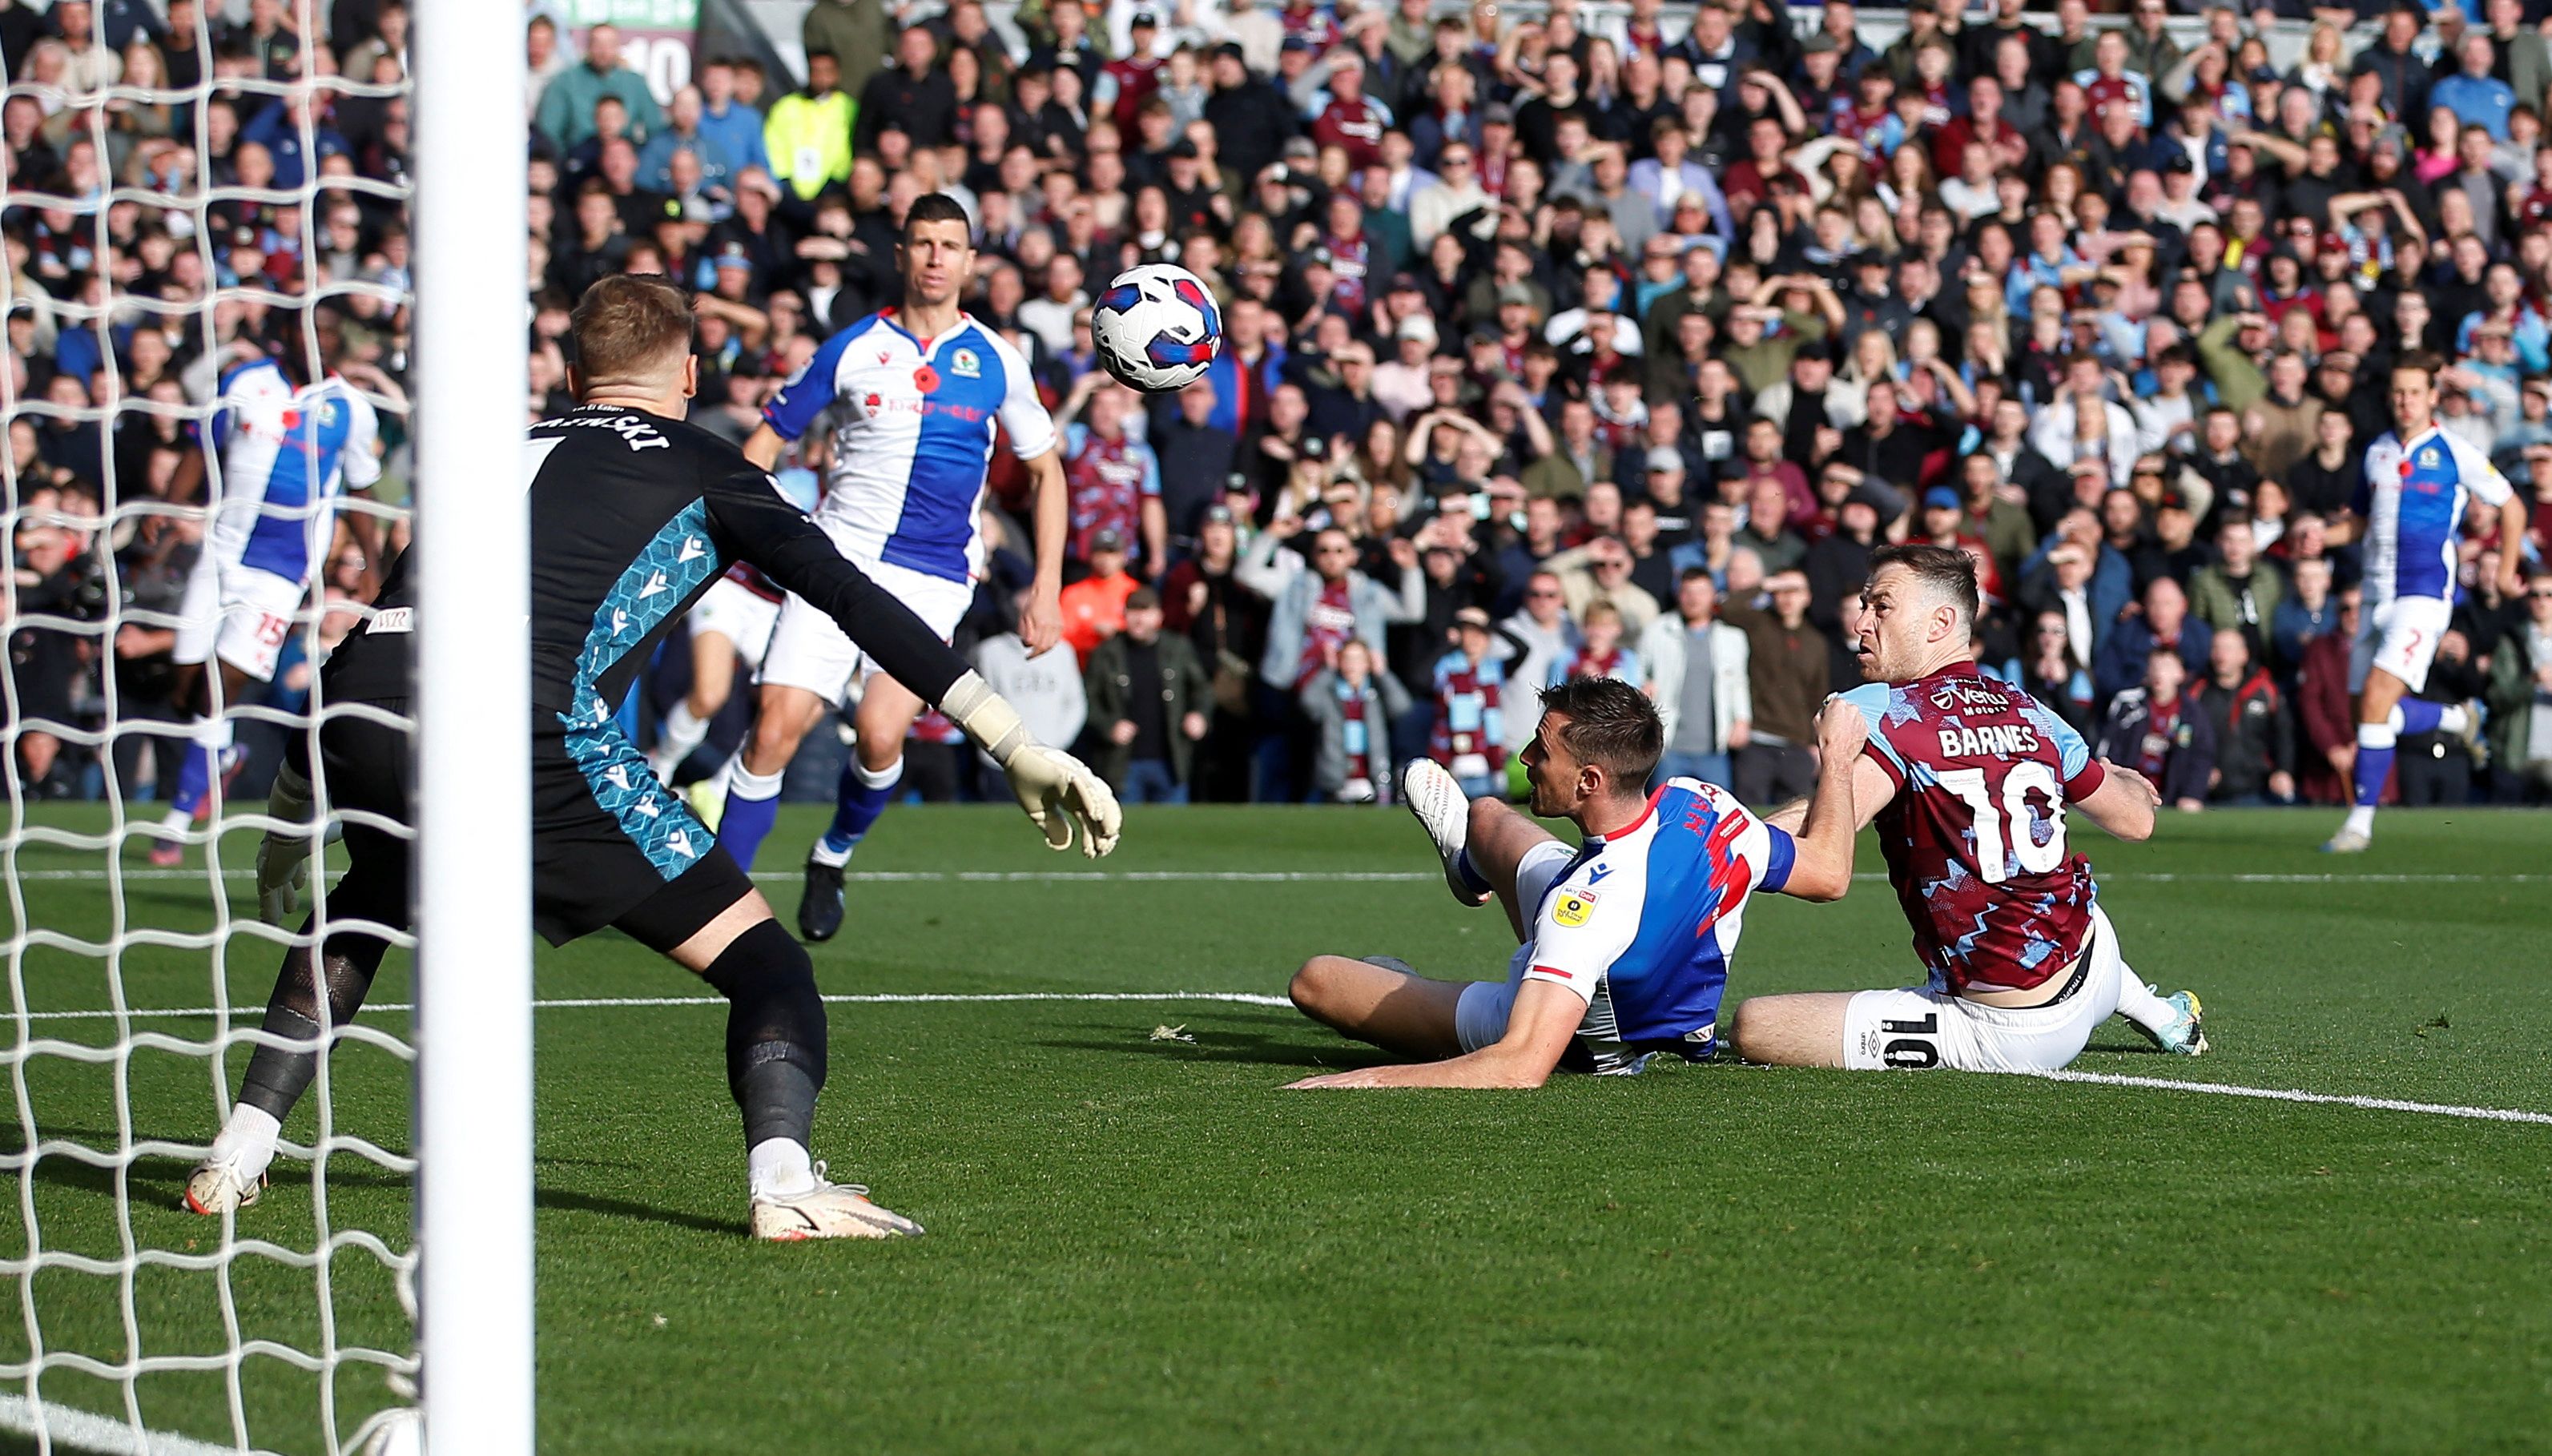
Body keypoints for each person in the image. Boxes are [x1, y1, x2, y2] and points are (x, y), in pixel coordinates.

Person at [197, 276, 1118, 1240]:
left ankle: (240, 1149)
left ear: (569, 374)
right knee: (770, 969)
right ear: (686, 373)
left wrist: (293, 807)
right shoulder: (703, 462)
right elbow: (849, 595)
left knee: (378, 888)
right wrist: (1011, 737)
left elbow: (374, 634)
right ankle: (785, 1181)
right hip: (521, 723)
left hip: (361, 713)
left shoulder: (491, 454)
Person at [711, 195, 1069, 943]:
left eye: (951, 244)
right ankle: (715, 900)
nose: (937, 257)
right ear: (901, 254)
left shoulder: (999, 360)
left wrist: (1045, 589)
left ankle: (833, 855)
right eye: (924, 243)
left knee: (879, 737)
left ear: (971, 261)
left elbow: (1047, 473)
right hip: (832, 562)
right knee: (773, 730)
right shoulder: (851, 347)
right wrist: (741, 532)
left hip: (931, 578)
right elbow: (768, 439)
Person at [1732, 545, 2206, 1073]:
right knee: (2049, 894)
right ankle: (2163, 1015)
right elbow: (2137, 821)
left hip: (2008, 1032)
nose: (1860, 622)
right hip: (2093, 960)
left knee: (1755, 1026)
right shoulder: (2032, 709)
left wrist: (1727, 846)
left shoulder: (1881, 708)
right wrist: (2123, 779)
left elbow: (1820, 841)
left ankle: (2150, 1009)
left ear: (1940, 622)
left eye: (1881, 606)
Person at [1280, 676, 1866, 1088]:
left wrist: (1364, 1081)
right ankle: (1469, 869)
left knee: (1317, 981)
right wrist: (1837, 760)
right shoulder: (1704, 804)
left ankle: (1413, 987)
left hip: (1587, 1044)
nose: (1525, 756)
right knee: (1484, 817)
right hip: (1619, 929)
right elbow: (1830, 873)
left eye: (1542, 750)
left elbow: (1518, 1066)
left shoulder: (1583, 909)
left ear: (1588, 781)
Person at [151, 307, 384, 867]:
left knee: (218, 686)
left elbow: (361, 492)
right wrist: (168, 512)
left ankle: (177, 822)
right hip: (218, 548)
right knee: (184, 686)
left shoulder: (350, 409)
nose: (316, 342)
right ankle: (222, 753)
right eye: (306, 331)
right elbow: (199, 449)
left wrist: (375, 567)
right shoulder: (244, 383)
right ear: (284, 335)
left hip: (282, 570)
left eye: (327, 334)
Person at [2323, 352, 2529, 851]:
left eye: (2415, 391)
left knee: (2376, 701)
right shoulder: (2376, 452)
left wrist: (2502, 571)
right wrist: (2323, 536)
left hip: (2423, 595)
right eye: (2398, 391)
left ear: (2433, 396)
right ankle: (2456, 718)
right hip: (2375, 593)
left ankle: (2360, 825)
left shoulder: (2455, 450)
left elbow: (2511, 506)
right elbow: (2360, 520)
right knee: (2367, 713)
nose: (2405, 400)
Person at [1083, 585, 1210, 802]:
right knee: (1125, 829)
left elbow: (1202, 688)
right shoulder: (1107, 653)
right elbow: (1087, 700)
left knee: (1173, 830)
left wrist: (1199, 715)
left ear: (1159, 616)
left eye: (1146, 612)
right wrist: (1109, 726)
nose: (1139, 619)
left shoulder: (1177, 648)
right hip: (1123, 762)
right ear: (1124, 614)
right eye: (1133, 611)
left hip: (1171, 759)